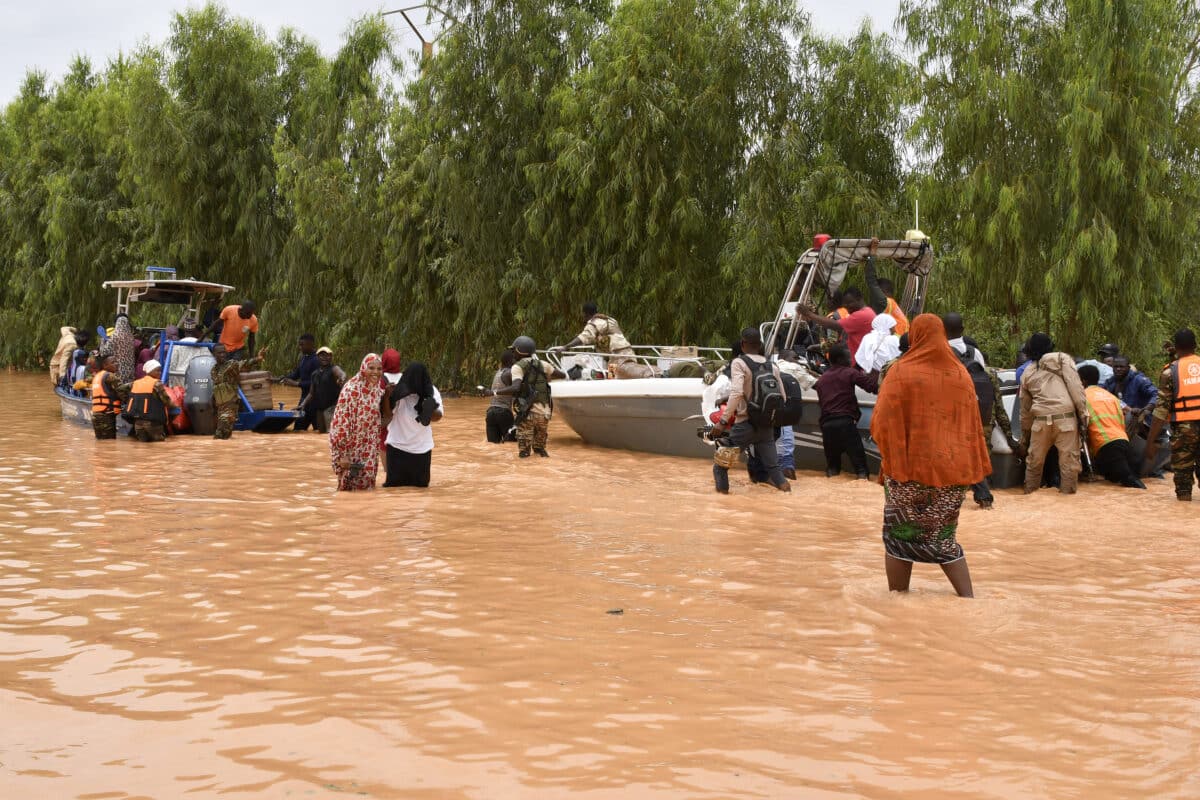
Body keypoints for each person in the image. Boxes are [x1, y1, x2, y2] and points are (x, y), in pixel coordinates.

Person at [869, 313, 992, 598]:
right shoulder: (960, 373)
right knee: (944, 536)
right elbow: (972, 425)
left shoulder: (901, 371)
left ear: (915, 335)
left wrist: (894, 456)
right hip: (952, 473)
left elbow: (882, 423)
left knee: (900, 536)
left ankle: (898, 601)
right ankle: (967, 599)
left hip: (908, 471)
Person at [711, 328, 791, 493]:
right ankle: (788, 496)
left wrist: (723, 421)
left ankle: (721, 506)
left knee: (720, 467)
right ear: (760, 345)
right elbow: (782, 397)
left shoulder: (739, 363)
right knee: (775, 471)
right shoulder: (772, 366)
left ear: (742, 344)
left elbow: (737, 392)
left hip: (744, 426)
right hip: (766, 427)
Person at [1019, 333, 1088, 494]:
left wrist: (1025, 434)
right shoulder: (1062, 359)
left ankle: (1029, 495)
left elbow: (1025, 409)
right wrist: (1083, 416)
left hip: (1040, 421)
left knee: (1034, 462)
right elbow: (1076, 388)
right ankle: (1067, 501)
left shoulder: (1027, 372)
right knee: (1069, 464)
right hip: (1066, 420)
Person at [1145, 329, 1200, 501]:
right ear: (1196, 345)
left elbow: (1161, 411)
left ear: (1176, 348)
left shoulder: (1170, 372)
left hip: (1184, 430)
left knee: (1183, 480)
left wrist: (1150, 441)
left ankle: (1183, 511)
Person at [487, 336, 566, 457]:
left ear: (520, 351)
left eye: (514, 350)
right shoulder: (543, 364)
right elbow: (562, 375)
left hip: (527, 414)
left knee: (524, 453)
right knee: (540, 450)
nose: (513, 353)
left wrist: (494, 392)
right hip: (544, 414)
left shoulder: (517, 367)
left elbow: (515, 387)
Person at [814, 345, 879, 478]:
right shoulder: (849, 372)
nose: (851, 361)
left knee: (832, 468)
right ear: (839, 359)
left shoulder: (822, 379)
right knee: (861, 469)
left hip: (827, 426)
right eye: (848, 357)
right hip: (846, 424)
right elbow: (872, 387)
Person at [1077, 364, 1146, 489]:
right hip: (1124, 442)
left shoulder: (1082, 397)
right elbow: (1125, 415)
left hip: (1105, 445)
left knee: (1129, 480)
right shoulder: (1110, 396)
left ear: (1082, 381)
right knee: (1119, 480)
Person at [329, 354, 386, 491]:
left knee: (367, 484)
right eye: (371, 368)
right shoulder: (351, 390)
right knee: (347, 485)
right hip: (350, 447)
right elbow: (340, 422)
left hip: (369, 447)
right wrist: (343, 453)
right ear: (363, 369)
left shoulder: (377, 390)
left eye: (379, 369)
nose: (376, 372)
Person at [550, 302, 650, 378]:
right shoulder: (610, 319)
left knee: (612, 377)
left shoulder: (593, 323)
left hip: (615, 355)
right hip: (628, 351)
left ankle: (612, 398)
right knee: (629, 372)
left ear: (585, 313)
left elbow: (582, 338)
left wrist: (565, 347)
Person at [383, 362, 444, 487]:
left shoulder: (432, 392)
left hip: (422, 449)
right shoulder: (398, 391)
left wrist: (429, 408)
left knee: (417, 490)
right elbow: (388, 414)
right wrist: (387, 397)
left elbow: (438, 416)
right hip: (398, 447)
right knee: (396, 490)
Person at [799, 284, 876, 366]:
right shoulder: (859, 312)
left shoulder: (834, 316)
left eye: (850, 302)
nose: (847, 306)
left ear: (831, 301)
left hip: (842, 361)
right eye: (846, 303)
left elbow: (832, 340)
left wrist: (809, 314)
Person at [209, 343, 268, 439]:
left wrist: (258, 358)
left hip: (230, 406)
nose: (222, 355)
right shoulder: (213, 370)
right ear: (214, 354)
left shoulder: (231, 365)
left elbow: (245, 364)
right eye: (219, 353)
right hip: (220, 408)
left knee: (221, 436)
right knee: (221, 437)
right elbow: (216, 388)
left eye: (224, 352)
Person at [125, 360, 179, 443]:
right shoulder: (157, 384)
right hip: (153, 424)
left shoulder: (135, 383)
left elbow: (121, 389)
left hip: (138, 425)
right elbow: (167, 401)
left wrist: (125, 399)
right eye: (157, 370)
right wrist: (177, 407)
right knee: (158, 448)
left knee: (143, 448)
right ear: (150, 371)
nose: (159, 373)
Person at [864, 240, 909, 335]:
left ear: (882, 291)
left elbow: (871, 280)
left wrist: (872, 254)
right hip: (902, 344)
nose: (874, 295)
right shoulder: (893, 307)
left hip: (894, 344)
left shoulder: (884, 302)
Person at [297, 347, 346, 433]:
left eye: (328, 355)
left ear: (331, 357)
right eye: (322, 355)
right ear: (317, 357)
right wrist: (303, 404)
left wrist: (342, 378)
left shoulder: (334, 369)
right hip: (320, 409)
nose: (325, 358)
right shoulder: (314, 374)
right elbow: (311, 393)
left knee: (330, 432)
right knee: (321, 433)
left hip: (332, 407)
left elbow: (342, 374)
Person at [277, 334, 320, 431]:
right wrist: (279, 379)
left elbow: (317, 382)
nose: (300, 347)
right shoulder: (304, 358)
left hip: (316, 402)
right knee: (298, 430)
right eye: (299, 345)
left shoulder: (317, 360)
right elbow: (295, 374)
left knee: (319, 430)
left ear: (311, 344)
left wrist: (297, 384)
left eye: (302, 345)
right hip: (304, 400)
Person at [1102, 356, 1158, 427]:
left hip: (1143, 421)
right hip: (1120, 419)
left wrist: (1146, 409)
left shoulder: (1139, 380)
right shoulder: (1111, 381)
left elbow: (1156, 394)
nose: (1118, 369)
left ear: (1128, 368)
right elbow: (1099, 391)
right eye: (1116, 367)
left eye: (1121, 367)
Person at [90, 354, 126, 440]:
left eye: (116, 361)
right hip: (107, 415)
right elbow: (122, 392)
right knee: (109, 442)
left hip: (96, 414)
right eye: (113, 362)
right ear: (105, 365)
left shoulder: (97, 376)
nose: (117, 364)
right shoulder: (110, 376)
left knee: (101, 442)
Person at [485, 349, 517, 443]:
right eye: (515, 359)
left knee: (493, 445)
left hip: (490, 412)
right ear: (511, 360)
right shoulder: (510, 373)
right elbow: (516, 388)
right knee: (511, 443)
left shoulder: (498, 372)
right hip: (503, 413)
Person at [110, 314, 137, 382]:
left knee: (119, 389)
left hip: (118, 369)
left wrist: (103, 341)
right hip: (130, 370)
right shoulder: (131, 337)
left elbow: (105, 351)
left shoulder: (115, 336)